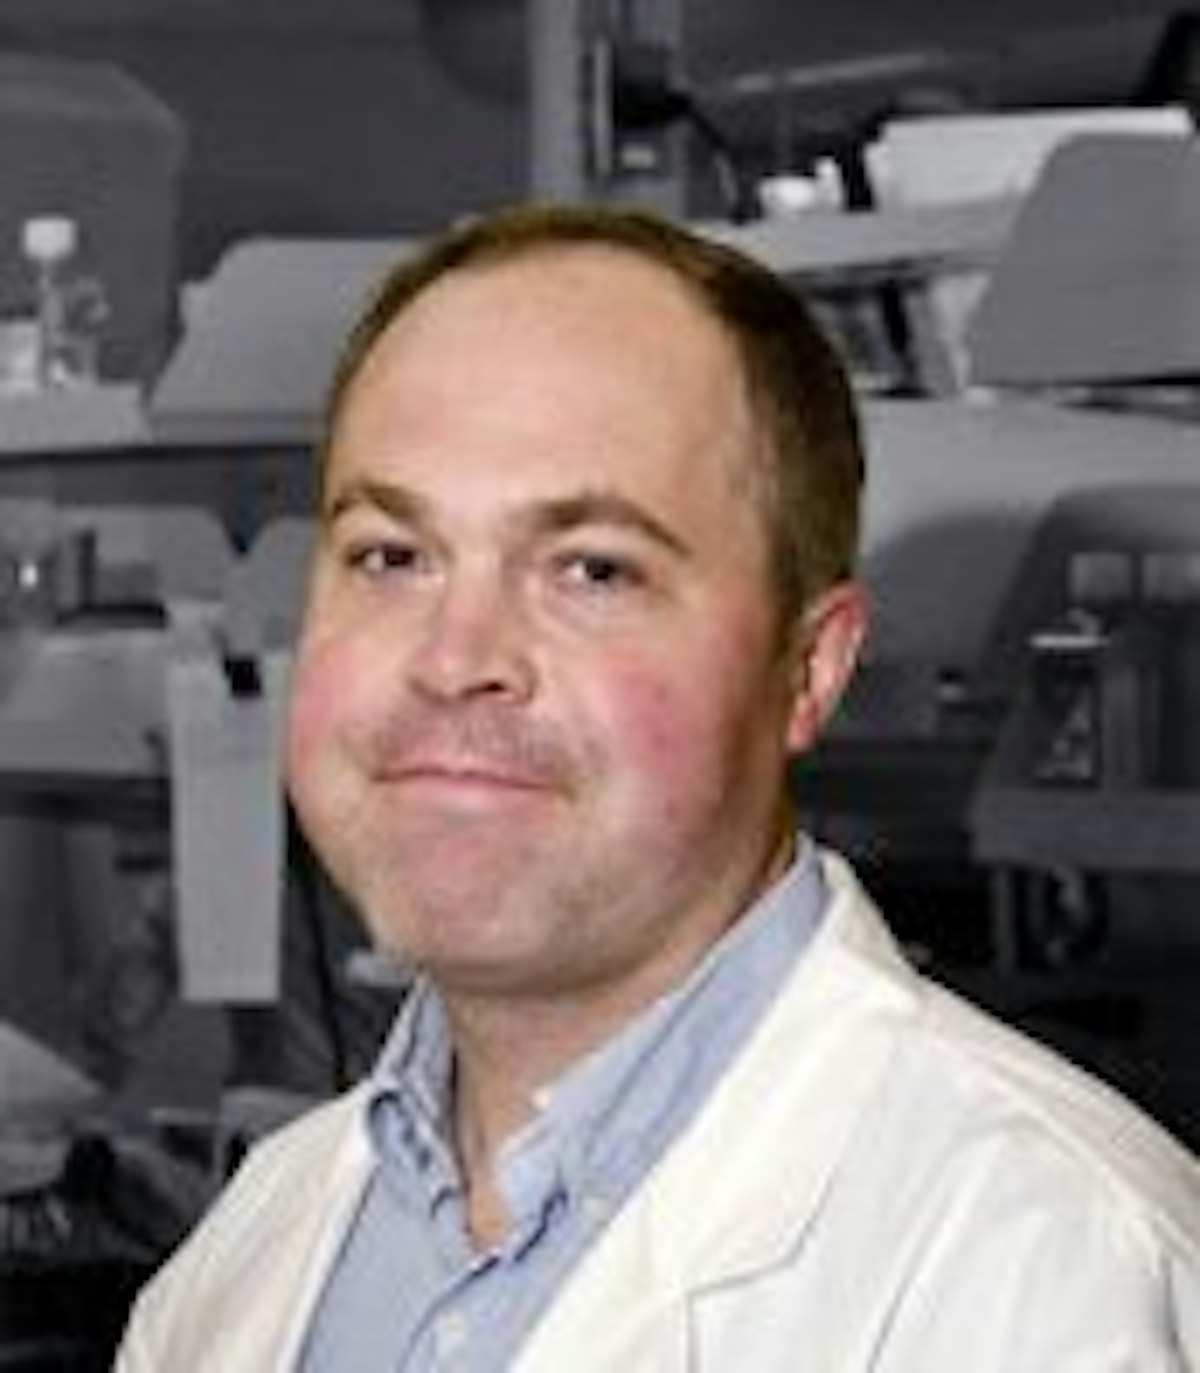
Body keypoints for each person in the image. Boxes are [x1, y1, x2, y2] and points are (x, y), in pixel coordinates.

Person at [117, 203, 1200, 1370]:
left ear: (808, 668)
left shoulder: (1051, 1268)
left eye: (592, 568)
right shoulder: (250, 1253)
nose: (453, 656)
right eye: (391, 555)